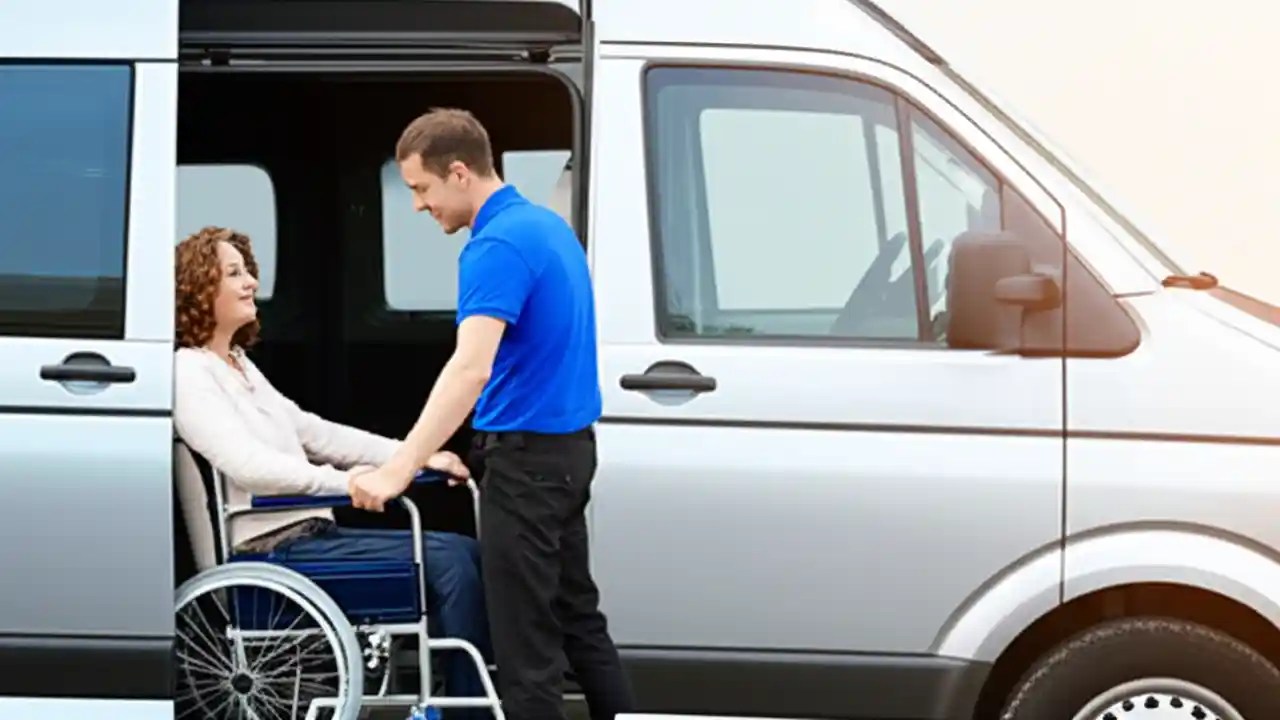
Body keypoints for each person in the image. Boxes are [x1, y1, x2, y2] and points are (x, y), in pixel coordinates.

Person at [349, 108, 636, 720]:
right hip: (568, 453)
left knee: (525, 648)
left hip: (527, 465)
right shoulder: (547, 227)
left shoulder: (495, 246)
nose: (418, 206)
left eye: (421, 189)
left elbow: (469, 369)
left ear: (459, 173)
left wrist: (399, 467)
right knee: (579, 621)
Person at [171, 226, 493, 715]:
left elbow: (316, 433)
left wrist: (413, 456)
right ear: (199, 289)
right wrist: (349, 482)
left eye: (247, 271)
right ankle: (468, 710)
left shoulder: (237, 365)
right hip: (269, 547)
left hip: (309, 534)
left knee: (463, 550)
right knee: (449, 562)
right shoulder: (190, 371)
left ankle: (465, 696)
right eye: (234, 273)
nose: (251, 282)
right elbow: (248, 467)